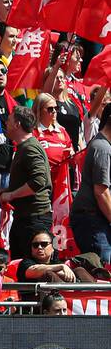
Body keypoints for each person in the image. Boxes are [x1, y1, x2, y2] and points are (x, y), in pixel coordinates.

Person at [0, 106, 54, 262]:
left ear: (17, 125)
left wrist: (11, 195)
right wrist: (6, 191)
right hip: (27, 217)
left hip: (34, 219)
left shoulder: (30, 148)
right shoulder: (24, 147)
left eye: (8, 121)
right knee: (20, 265)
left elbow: (38, 181)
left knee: (31, 267)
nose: (5, 124)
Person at [71, 103, 111, 264]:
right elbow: (101, 192)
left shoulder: (104, 145)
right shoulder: (102, 148)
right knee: (102, 271)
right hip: (92, 219)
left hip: (95, 218)